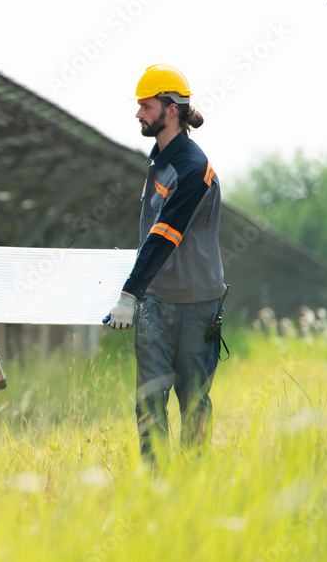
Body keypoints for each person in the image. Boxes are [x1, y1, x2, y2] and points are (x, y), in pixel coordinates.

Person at [104, 64, 226, 465]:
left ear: (170, 109)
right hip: (157, 303)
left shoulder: (193, 169)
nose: (138, 113)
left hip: (195, 305)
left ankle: (193, 487)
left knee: (193, 403)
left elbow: (164, 236)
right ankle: (157, 492)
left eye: (146, 105)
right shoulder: (159, 161)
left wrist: (128, 294)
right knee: (149, 403)